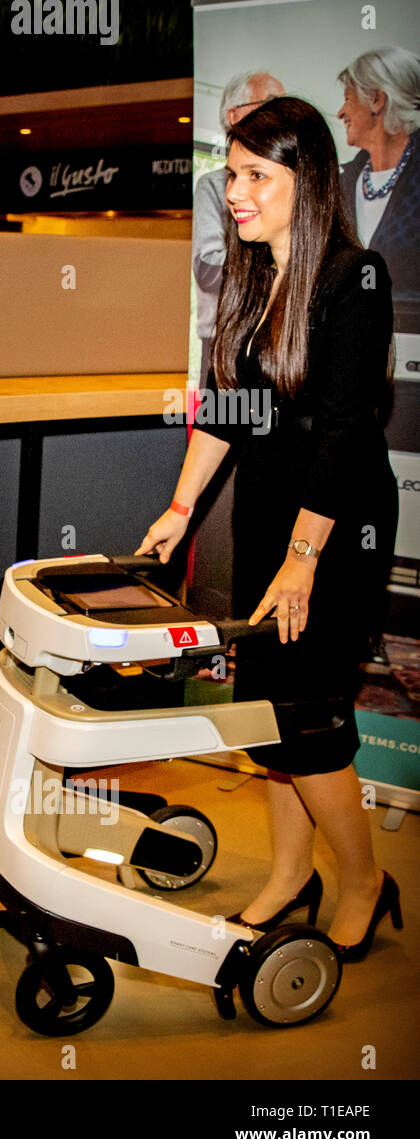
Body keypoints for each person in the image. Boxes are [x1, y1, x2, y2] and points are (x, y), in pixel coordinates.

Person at [138, 97, 401, 962]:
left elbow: (345, 436)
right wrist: (179, 509)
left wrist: (301, 562)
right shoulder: (251, 278)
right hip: (267, 518)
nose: (235, 193)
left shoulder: (354, 282)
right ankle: (293, 873)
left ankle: (364, 879)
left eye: (257, 176)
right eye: (233, 173)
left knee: (309, 718)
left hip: (332, 530)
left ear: (308, 180)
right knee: (272, 717)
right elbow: (225, 410)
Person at [194, 71, 286, 386]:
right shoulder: (212, 187)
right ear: (233, 116)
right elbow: (206, 269)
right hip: (225, 336)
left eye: (258, 177)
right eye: (270, 104)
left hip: (280, 336)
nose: (235, 194)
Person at [337, 46, 420, 335]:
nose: (340, 112)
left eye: (348, 99)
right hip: (350, 348)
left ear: (376, 99)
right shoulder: (342, 181)